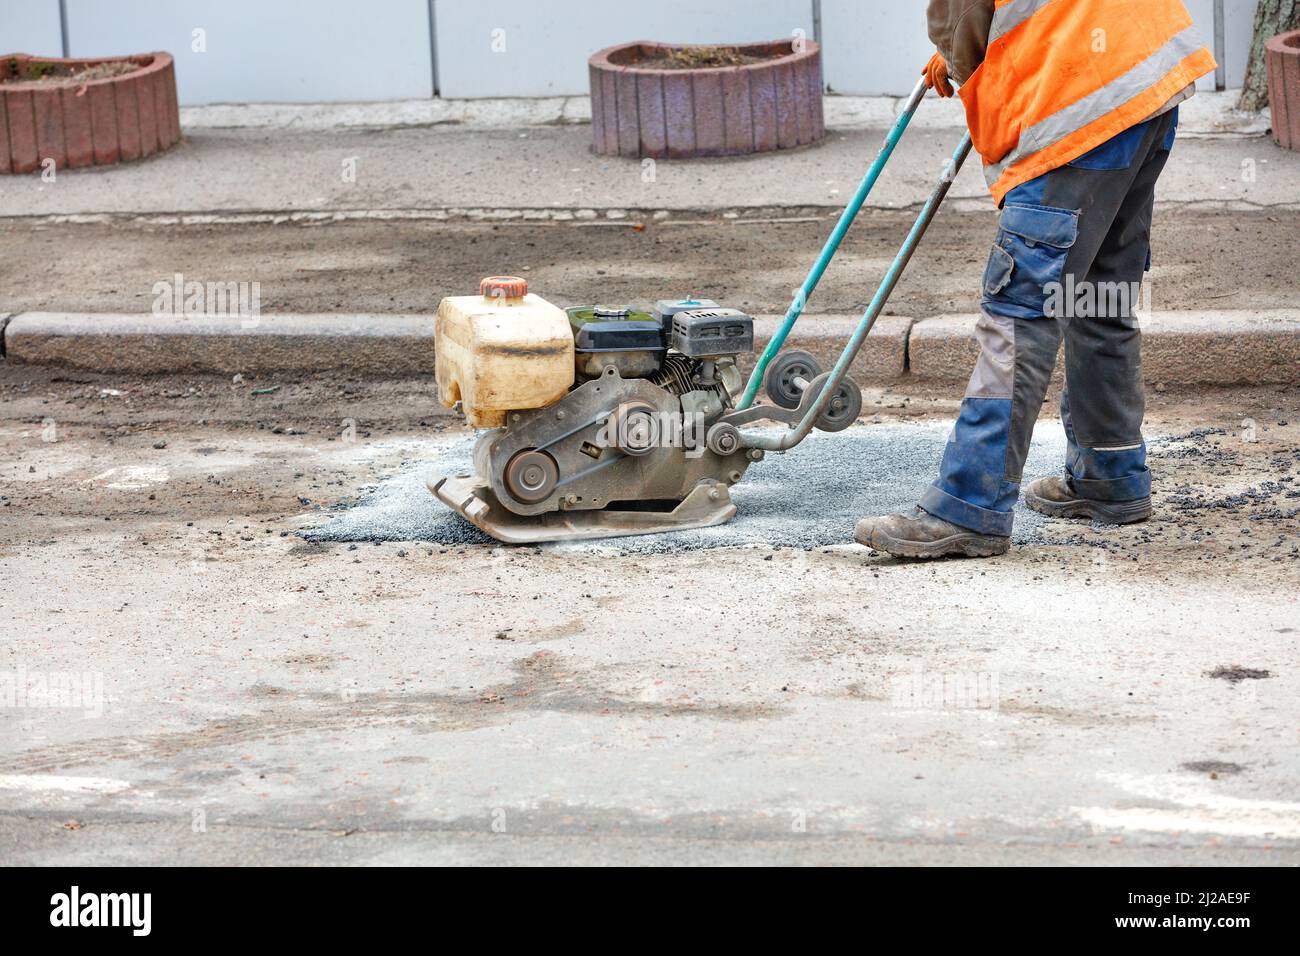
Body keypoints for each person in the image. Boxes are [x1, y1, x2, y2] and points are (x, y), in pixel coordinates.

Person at [855, 0, 1218, 559]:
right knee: (1099, 292)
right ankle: (1109, 475)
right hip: (1146, 77)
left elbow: (959, 17)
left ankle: (967, 505)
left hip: (1076, 99)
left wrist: (954, 58)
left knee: (1020, 313)